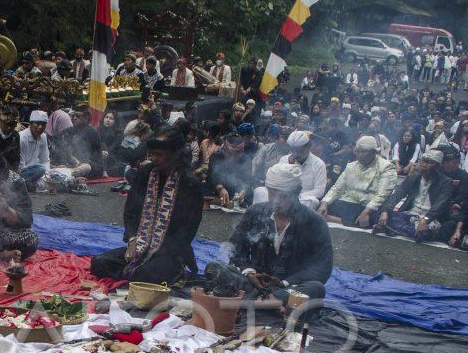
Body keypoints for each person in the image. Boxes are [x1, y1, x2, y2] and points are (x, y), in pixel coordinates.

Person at [205, 161, 333, 304]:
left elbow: (322, 268)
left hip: (288, 288)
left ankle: (262, 301)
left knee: (316, 288)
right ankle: (268, 303)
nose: (276, 201)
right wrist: (250, 272)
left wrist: (283, 283)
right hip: (252, 283)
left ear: (297, 192)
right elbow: (236, 249)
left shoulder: (314, 222)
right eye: (271, 194)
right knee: (214, 268)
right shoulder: (255, 212)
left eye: (283, 196)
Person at [90, 127, 203, 283]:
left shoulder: (189, 183)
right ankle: (133, 273)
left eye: (159, 155)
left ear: (176, 154)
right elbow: (131, 210)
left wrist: (157, 251)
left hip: (169, 251)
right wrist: (132, 240)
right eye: (151, 154)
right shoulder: (146, 173)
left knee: (142, 275)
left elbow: (188, 230)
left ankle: (168, 271)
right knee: (99, 263)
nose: (153, 159)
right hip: (141, 245)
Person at [374, 150, 456, 241]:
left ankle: (397, 229)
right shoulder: (413, 177)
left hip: (431, 219)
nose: (424, 164)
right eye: (423, 161)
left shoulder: (446, 183)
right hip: (409, 215)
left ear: (437, 166)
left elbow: (439, 205)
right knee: (380, 214)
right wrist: (385, 211)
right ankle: (410, 231)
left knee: (430, 230)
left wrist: (426, 220)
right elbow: (397, 195)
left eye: (429, 162)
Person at [318, 135, 398, 227]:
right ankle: (341, 219)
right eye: (358, 151)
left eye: (364, 152)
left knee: (372, 217)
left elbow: (382, 194)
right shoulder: (351, 166)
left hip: (368, 205)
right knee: (320, 204)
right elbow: (337, 188)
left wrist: (367, 211)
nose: (360, 155)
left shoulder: (387, 167)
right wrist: (325, 203)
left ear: (374, 152)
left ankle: (332, 218)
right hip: (347, 203)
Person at [18, 109, 51, 189]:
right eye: (37, 123)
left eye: (43, 124)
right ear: (30, 124)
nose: (40, 127)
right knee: (40, 168)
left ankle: (32, 184)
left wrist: (47, 175)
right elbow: (20, 167)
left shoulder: (43, 137)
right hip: (23, 172)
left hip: (37, 171)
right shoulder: (21, 137)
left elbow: (45, 160)